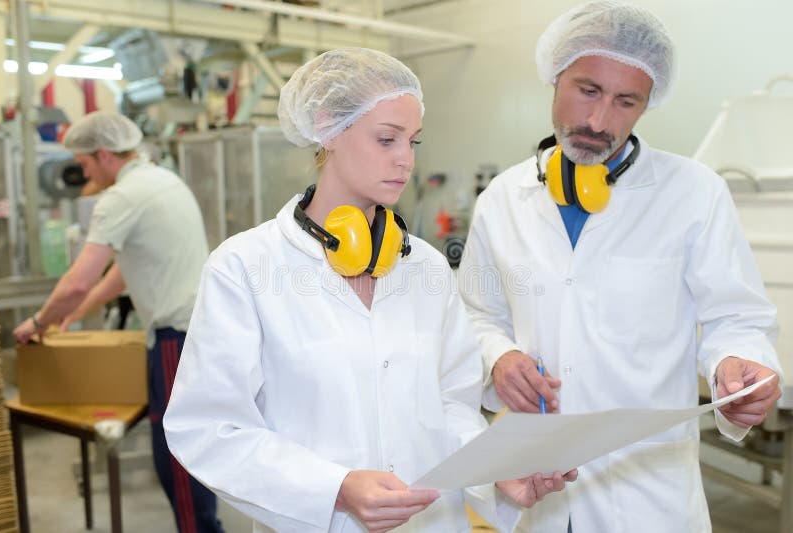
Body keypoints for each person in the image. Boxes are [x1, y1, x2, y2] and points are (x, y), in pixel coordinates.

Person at [163, 47, 576, 533]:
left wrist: (493, 472)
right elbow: (209, 428)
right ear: (327, 129)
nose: (406, 160)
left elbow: (452, 407)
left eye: (413, 142)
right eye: (386, 139)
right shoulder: (245, 267)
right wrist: (334, 488)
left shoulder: (425, 267)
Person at [458, 2, 783, 532]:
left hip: (647, 499)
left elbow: (736, 318)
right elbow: (476, 314)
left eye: (626, 101)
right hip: (539, 487)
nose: (598, 122)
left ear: (647, 104)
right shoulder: (502, 198)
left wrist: (737, 363)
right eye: (587, 90)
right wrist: (499, 356)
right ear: (555, 76)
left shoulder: (694, 194)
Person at [13, 111, 224, 533]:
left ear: (104, 154)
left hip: (176, 337)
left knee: (179, 460)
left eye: (85, 163)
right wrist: (74, 313)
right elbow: (123, 273)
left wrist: (36, 322)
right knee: (183, 450)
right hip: (191, 332)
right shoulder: (160, 180)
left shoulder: (122, 197)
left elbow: (77, 281)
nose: (85, 174)